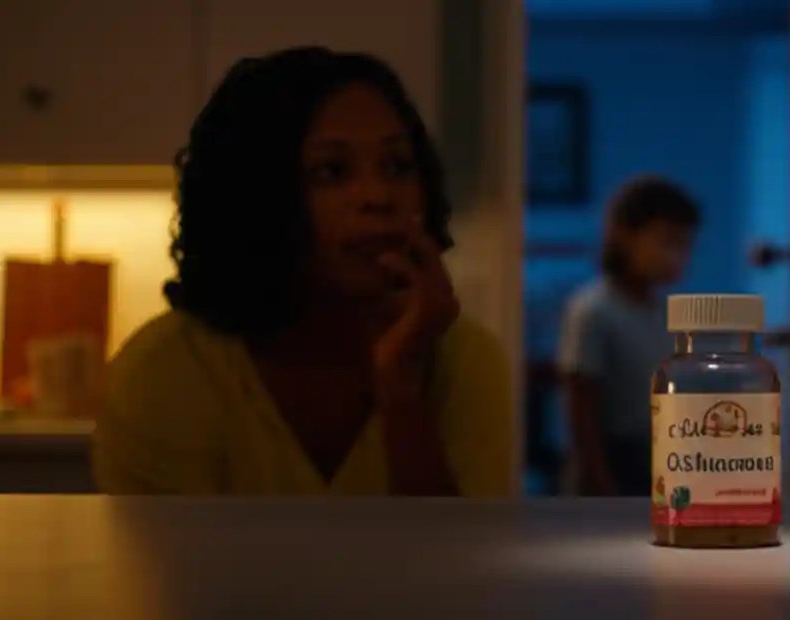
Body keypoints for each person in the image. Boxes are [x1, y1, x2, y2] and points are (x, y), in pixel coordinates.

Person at [92, 47, 512, 495]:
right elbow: (173, 567)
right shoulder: (165, 374)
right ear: (256, 195)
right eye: (332, 171)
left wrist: (402, 389)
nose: (379, 196)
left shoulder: (465, 364)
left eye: (397, 166)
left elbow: (451, 563)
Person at [558, 176, 700, 495]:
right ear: (624, 236)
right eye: (667, 242)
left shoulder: (666, 313)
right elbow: (581, 412)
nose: (677, 257)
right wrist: (599, 481)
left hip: (657, 456)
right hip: (609, 462)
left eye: (685, 245)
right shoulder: (593, 310)